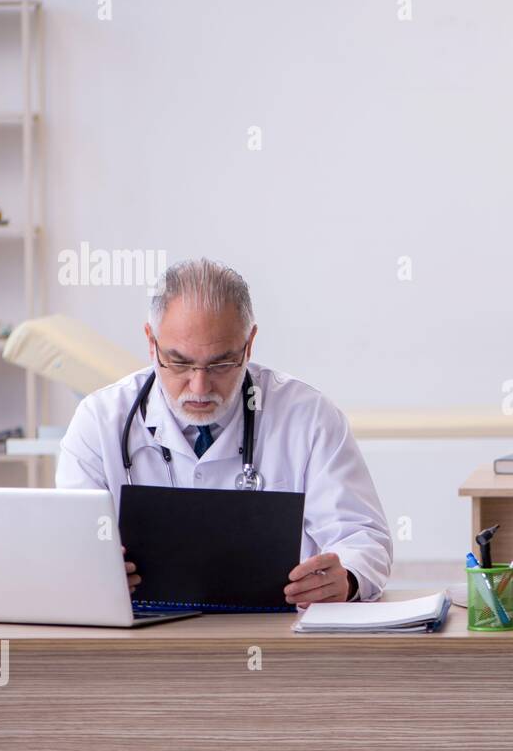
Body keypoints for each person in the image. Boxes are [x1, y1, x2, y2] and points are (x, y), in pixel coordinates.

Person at [56, 258, 392, 606]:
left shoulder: (308, 417)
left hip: (279, 641)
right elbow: (69, 547)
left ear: (249, 343)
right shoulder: (99, 421)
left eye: (221, 363)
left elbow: (362, 536)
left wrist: (347, 578)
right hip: (142, 641)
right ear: (151, 342)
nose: (199, 386)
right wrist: (90, 575)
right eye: (180, 362)